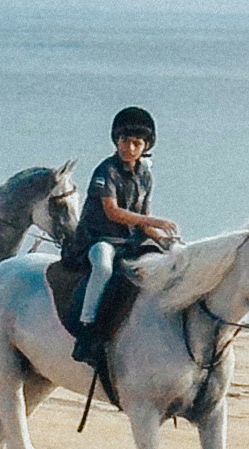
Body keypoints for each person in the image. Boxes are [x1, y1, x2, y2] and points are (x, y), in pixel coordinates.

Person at [64, 107, 177, 372]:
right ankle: (87, 325)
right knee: (103, 267)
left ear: (145, 147)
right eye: (125, 141)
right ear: (117, 140)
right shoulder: (106, 171)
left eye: (137, 143)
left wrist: (164, 241)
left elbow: (142, 220)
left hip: (129, 242)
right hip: (99, 238)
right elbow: (112, 212)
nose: (130, 148)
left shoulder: (145, 176)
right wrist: (155, 222)